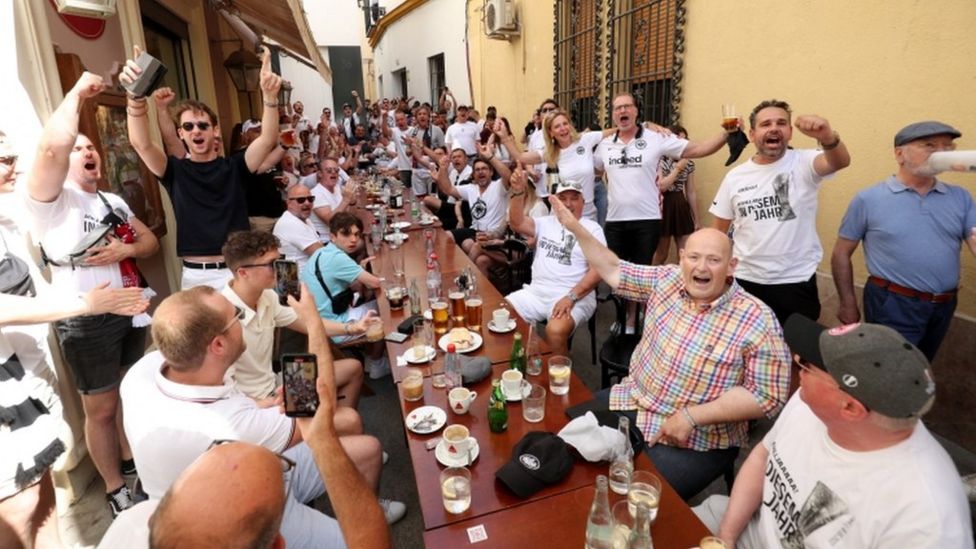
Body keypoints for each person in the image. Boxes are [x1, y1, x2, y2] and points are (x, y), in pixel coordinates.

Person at [119, 285, 404, 546]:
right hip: (245, 516)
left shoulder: (145, 371)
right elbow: (320, 406)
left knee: (369, 450)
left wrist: (261, 404)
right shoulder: (231, 425)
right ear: (217, 345)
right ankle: (355, 525)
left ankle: (356, 508)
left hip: (241, 476)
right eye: (238, 316)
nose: (243, 320)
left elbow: (228, 400)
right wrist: (313, 322)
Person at [552, 199, 792, 500]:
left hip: (698, 438)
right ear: (681, 259)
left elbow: (767, 395)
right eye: (694, 257)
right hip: (634, 401)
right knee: (561, 444)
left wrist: (692, 417)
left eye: (714, 260)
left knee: (627, 499)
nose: (701, 268)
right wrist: (575, 227)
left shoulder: (758, 319)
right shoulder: (666, 280)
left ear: (732, 266)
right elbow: (612, 268)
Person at [694, 315, 973, 548]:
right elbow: (762, 456)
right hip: (743, 525)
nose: (797, 361)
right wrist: (727, 537)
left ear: (850, 408)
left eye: (806, 365)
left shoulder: (926, 522)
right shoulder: (808, 404)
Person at [23, 71, 160, 517]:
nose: (87, 153)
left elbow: (151, 244)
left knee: (126, 395)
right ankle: (115, 488)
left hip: (128, 312)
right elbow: (49, 148)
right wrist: (78, 94)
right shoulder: (51, 200)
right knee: (99, 409)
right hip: (86, 321)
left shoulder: (113, 202)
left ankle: (129, 462)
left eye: (91, 148)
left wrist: (127, 247)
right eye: (78, 148)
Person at [123, 45, 282, 290]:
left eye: (202, 125)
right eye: (188, 127)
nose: (195, 130)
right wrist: (136, 95)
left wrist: (269, 97)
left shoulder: (235, 167)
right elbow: (141, 144)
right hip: (198, 276)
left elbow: (268, 139)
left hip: (240, 272)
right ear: (181, 134)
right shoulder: (174, 171)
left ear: (215, 130)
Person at [831, 121, 976, 361]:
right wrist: (847, 302)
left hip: (943, 305)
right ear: (899, 153)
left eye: (947, 147)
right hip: (892, 303)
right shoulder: (869, 199)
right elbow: (840, 253)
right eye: (929, 145)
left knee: (921, 369)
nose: (941, 152)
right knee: (891, 373)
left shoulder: (960, 197)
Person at [710, 99, 851, 326]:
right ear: (752, 134)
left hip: (795, 282)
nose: (774, 128)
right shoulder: (735, 177)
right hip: (746, 281)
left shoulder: (804, 162)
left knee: (796, 354)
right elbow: (718, 232)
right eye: (766, 124)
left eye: (781, 123)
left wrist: (827, 137)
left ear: (790, 132)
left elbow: (840, 162)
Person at [220, 230, 366, 407]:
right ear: (243, 273)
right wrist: (266, 403)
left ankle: (327, 427)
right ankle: (328, 426)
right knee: (351, 421)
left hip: (276, 385)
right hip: (257, 404)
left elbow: (307, 324)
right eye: (272, 263)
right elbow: (224, 390)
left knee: (353, 368)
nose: (281, 268)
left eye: (281, 259)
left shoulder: (268, 296)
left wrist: (352, 328)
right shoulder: (222, 316)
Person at [598, 94, 731, 266]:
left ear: (637, 111)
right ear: (614, 114)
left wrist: (727, 134)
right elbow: (590, 170)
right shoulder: (605, 144)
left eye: (627, 106)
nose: (622, 110)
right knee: (615, 272)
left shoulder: (656, 138)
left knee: (642, 271)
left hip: (647, 219)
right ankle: (617, 295)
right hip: (615, 220)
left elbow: (699, 149)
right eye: (618, 108)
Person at [506, 172, 602, 356]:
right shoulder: (544, 223)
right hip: (536, 293)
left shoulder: (592, 229)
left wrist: (571, 297)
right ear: (554, 202)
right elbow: (516, 222)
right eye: (562, 198)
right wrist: (518, 192)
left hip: (575, 296)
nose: (568, 204)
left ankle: (559, 382)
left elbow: (597, 271)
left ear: (584, 202)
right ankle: (523, 364)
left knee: (555, 331)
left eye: (574, 198)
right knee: (503, 313)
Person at [302, 213, 390, 379]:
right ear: (333, 236)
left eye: (356, 234)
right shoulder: (337, 258)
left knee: (372, 299)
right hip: (333, 326)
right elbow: (375, 283)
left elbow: (356, 286)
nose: (353, 239)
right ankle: (377, 364)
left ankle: (371, 356)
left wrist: (359, 269)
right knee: (386, 309)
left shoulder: (323, 252)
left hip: (321, 318)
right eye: (346, 234)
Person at [498, 108, 605, 220]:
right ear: (551, 132)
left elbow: (616, 133)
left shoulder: (585, 140)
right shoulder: (549, 153)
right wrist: (504, 138)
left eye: (565, 123)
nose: (563, 128)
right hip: (560, 216)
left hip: (587, 215)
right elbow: (520, 157)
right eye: (557, 126)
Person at [433, 151, 512, 267]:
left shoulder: (499, 186)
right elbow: (448, 189)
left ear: (491, 172)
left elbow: (508, 176)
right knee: (446, 236)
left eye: (484, 169)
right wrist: (443, 169)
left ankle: (464, 274)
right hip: (475, 231)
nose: (481, 172)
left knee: (473, 251)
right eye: (477, 170)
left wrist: (490, 156)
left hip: (494, 233)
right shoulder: (471, 188)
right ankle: (445, 267)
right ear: (473, 174)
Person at [654, 125, 700, 264]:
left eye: (684, 140)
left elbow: (691, 191)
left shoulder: (689, 162)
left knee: (685, 254)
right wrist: (678, 168)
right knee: (662, 253)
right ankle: (650, 283)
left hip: (680, 203)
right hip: (663, 204)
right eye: (679, 139)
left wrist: (696, 220)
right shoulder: (660, 159)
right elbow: (662, 186)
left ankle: (683, 284)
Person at [273, 185, 323, 271]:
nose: (307, 203)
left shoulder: (305, 220)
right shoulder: (290, 223)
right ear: (288, 203)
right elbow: (321, 254)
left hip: (312, 274)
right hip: (300, 280)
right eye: (301, 200)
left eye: (310, 199)